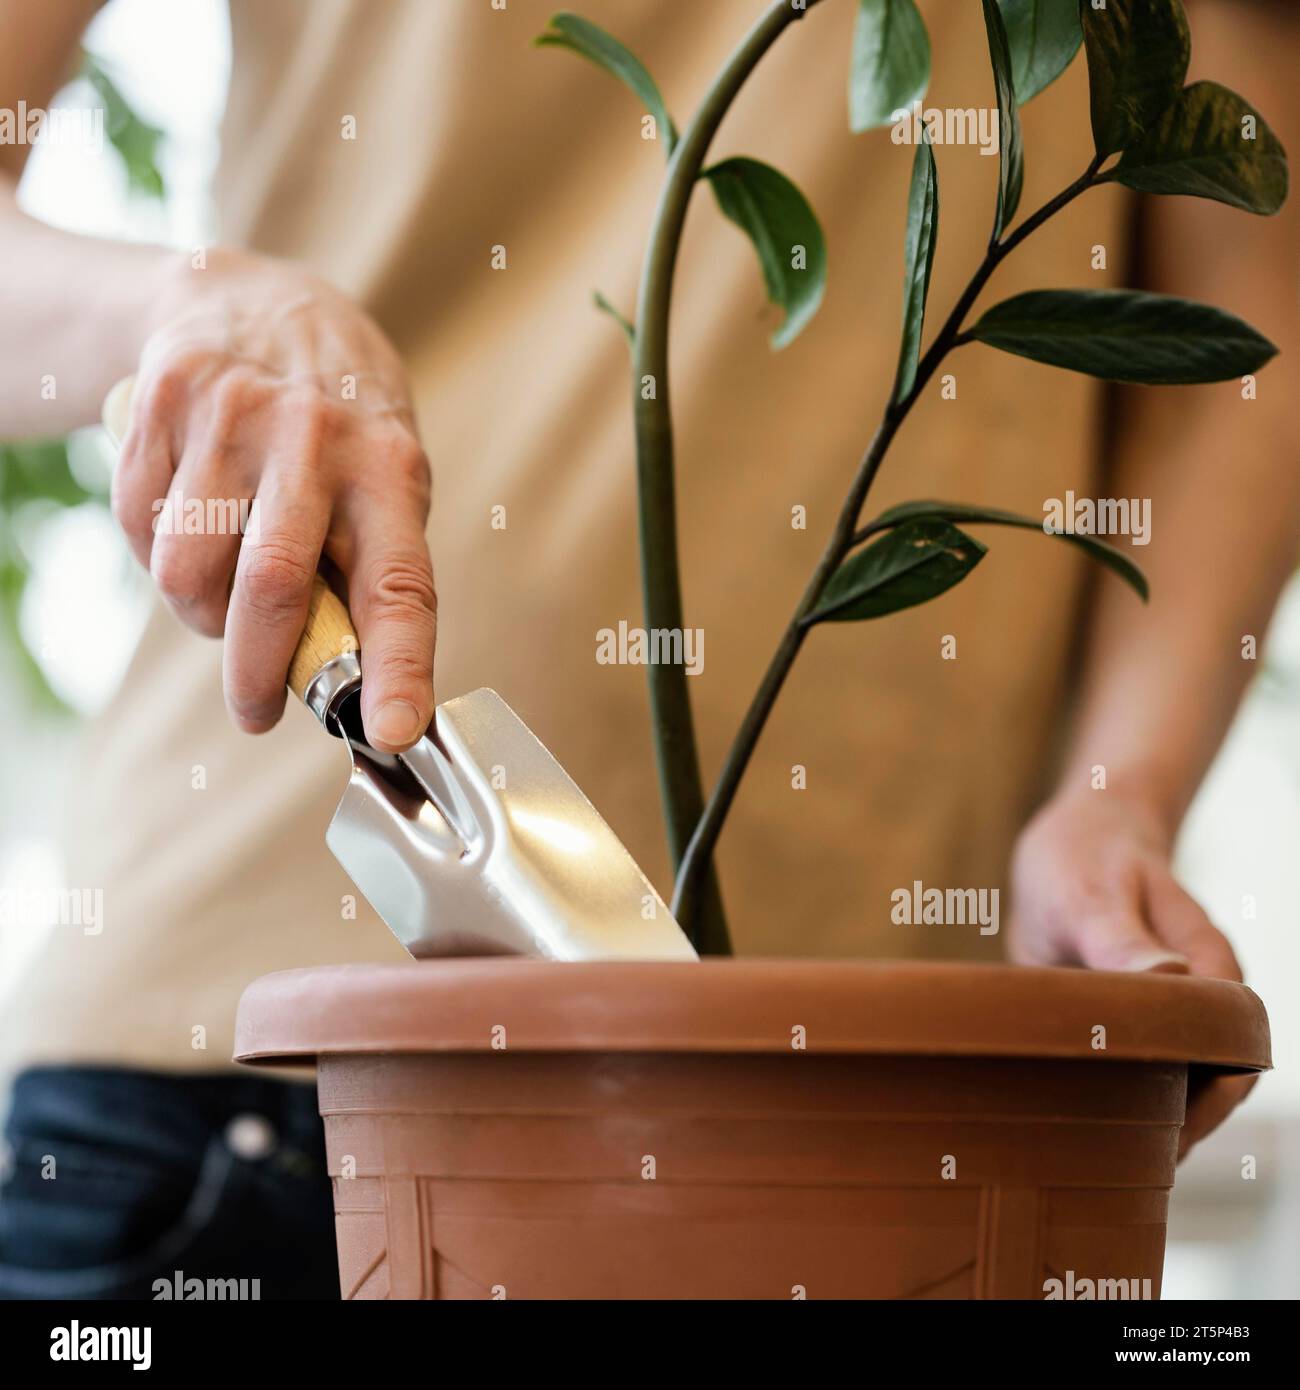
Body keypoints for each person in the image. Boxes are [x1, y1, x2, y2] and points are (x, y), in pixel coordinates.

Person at [0, 0, 1295, 1298]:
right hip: (250, 1072)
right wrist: (196, 303)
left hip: (892, 1106)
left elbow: (1245, 310)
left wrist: (1117, 795)